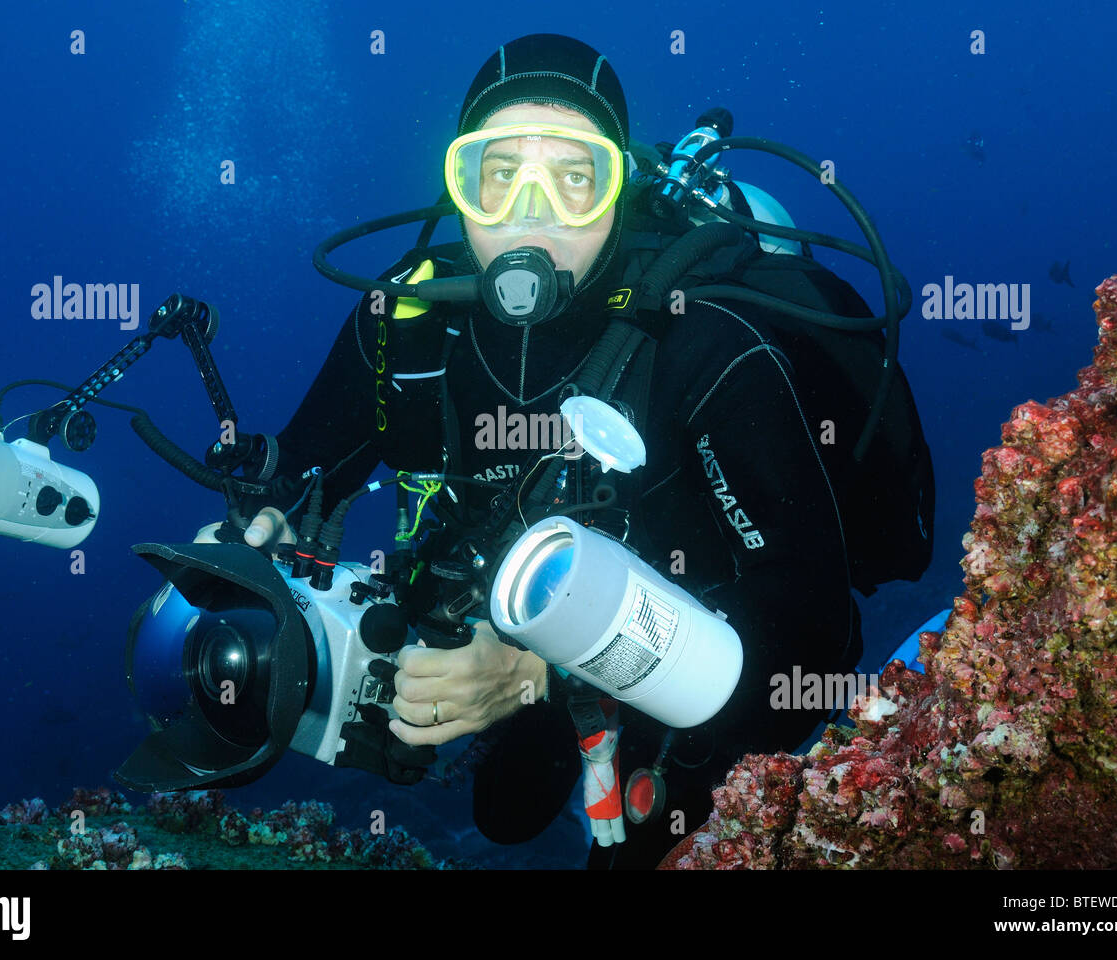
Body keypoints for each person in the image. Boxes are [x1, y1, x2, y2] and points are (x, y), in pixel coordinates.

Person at [231, 34, 874, 869]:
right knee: (503, 814)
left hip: (688, 652)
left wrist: (535, 678)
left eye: (575, 176)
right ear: (459, 186)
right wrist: (263, 517)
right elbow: (306, 466)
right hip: (508, 615)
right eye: (498, 173)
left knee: (650, 850)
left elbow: (813, 645)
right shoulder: (407, 320)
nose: (531, 209)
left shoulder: (706, 343)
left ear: (619, 190)